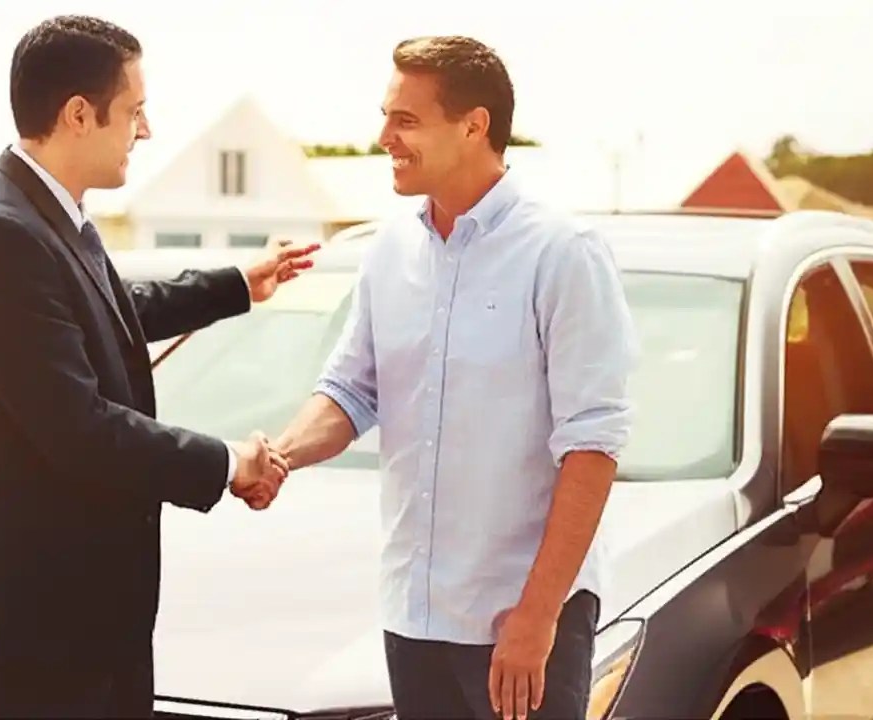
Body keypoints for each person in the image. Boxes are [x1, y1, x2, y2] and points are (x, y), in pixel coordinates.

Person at [0, 15, 316, 718]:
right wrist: (231, 461)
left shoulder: (46, 215)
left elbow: (111, 308)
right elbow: (78, 428)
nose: (146, 131)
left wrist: (238, 283)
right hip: (40, 628)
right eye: (135, 111)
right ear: (80, 114)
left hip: (88, 614)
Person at [270, 36, 635, 720]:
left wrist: (536, 617)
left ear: (474, 126)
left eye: (405, 120)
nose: (384, 138)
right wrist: (279, 456)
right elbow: (353, 390)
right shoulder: (390, 249)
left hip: (517, 622)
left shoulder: (563, 253)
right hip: (413, 616)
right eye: (386, 117)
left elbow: (593, 445)